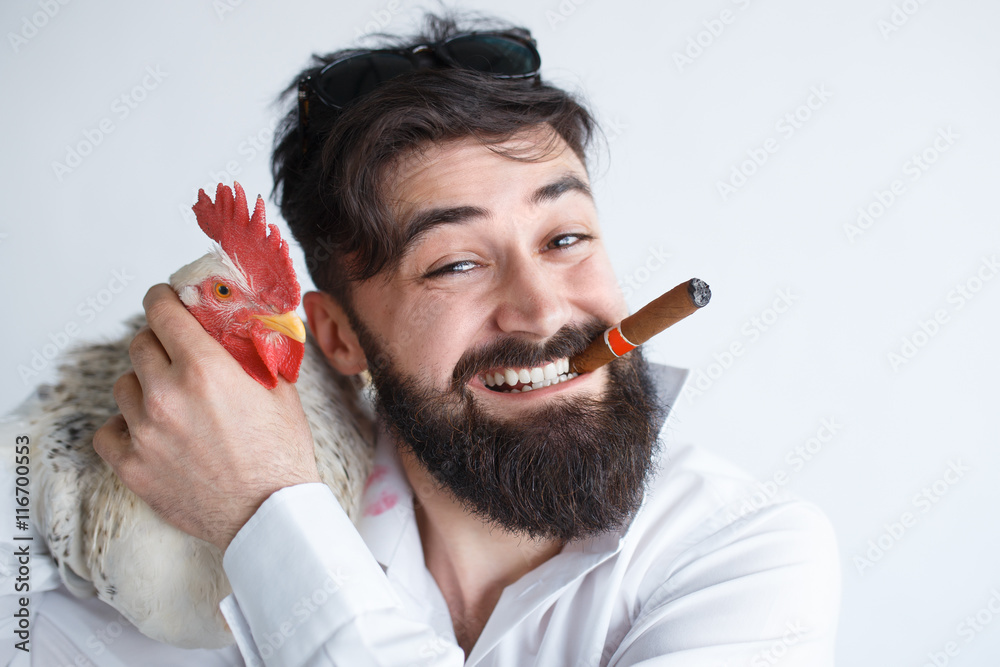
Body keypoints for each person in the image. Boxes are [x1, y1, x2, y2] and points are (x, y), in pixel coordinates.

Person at [5, 12, 840, 666]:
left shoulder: (745, 554)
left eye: (565, 238)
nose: (541, 309)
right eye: (455, 263)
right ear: (340, 337)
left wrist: (268, 514)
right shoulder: (198, 557)